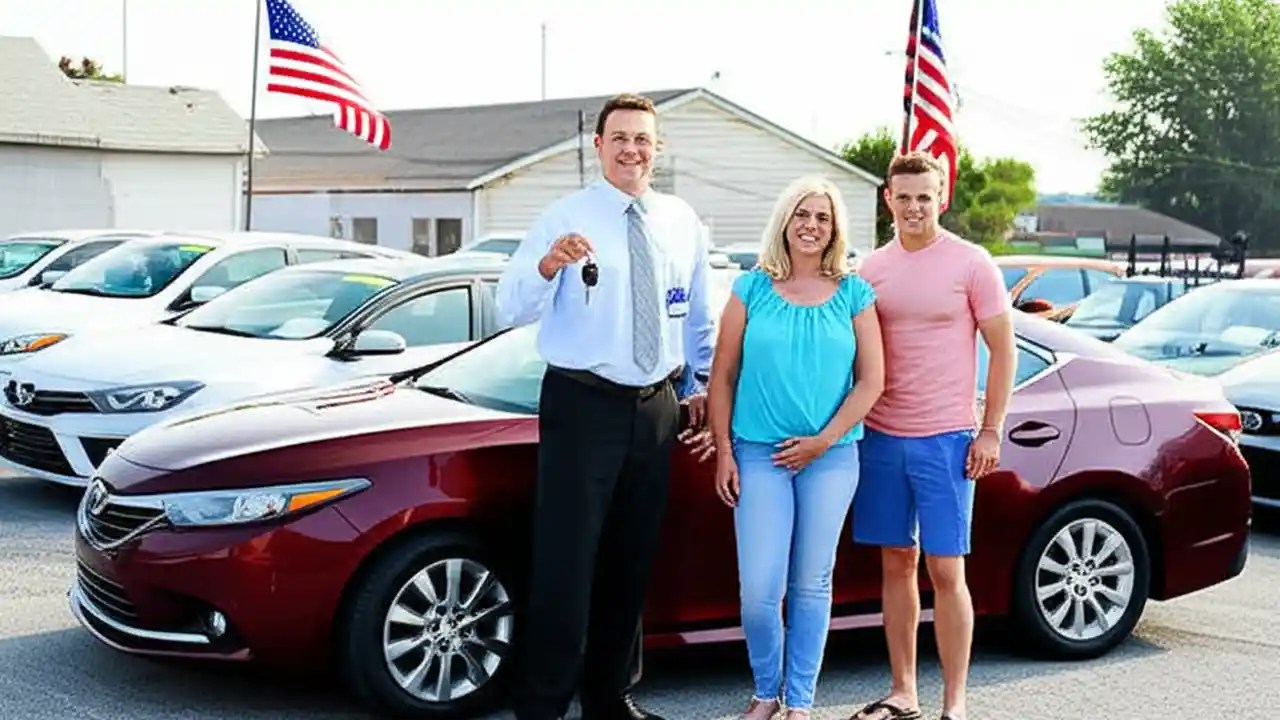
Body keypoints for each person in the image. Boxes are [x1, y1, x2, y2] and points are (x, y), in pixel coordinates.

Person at [494, 92, 715, 720]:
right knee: (567, 559)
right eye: (619, 138)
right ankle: (542, 702)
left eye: (643, 139)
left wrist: (696, 385)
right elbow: (511, 306)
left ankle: (610, 697)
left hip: (655, 408)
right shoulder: (566, 215)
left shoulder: (679, 220)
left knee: (631, 556)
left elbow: (698, 317)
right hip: (582, 404)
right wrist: (546, 265)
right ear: (597, 147)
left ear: (658, 148)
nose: (631, 150)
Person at [707, 176, 885, 720]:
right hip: (759, 452)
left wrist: (823, 441)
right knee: (760, 587)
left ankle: (800, 703)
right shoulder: (751, 289)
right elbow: (723, 376)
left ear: (835, 229)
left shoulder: (854, 293)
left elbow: (871, 381)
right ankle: (767, 691)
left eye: (823, 217)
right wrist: (724, 451)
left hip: (830, 456)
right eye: (802, 214)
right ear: (785, 220)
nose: (811, 225)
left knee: (812, 582)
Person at [847, 152, 1016, 720]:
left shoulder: (972, 263)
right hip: (882, 437)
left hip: (946, 439)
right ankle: (903, 692)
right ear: (887, 200)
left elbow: (1003, 350)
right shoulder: (871, 270)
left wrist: (990, 430)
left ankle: (955, 703)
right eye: (905, 196)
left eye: (926, 196)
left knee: (947, 570)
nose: (915, 206)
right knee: (896, 562)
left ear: (940, 197)